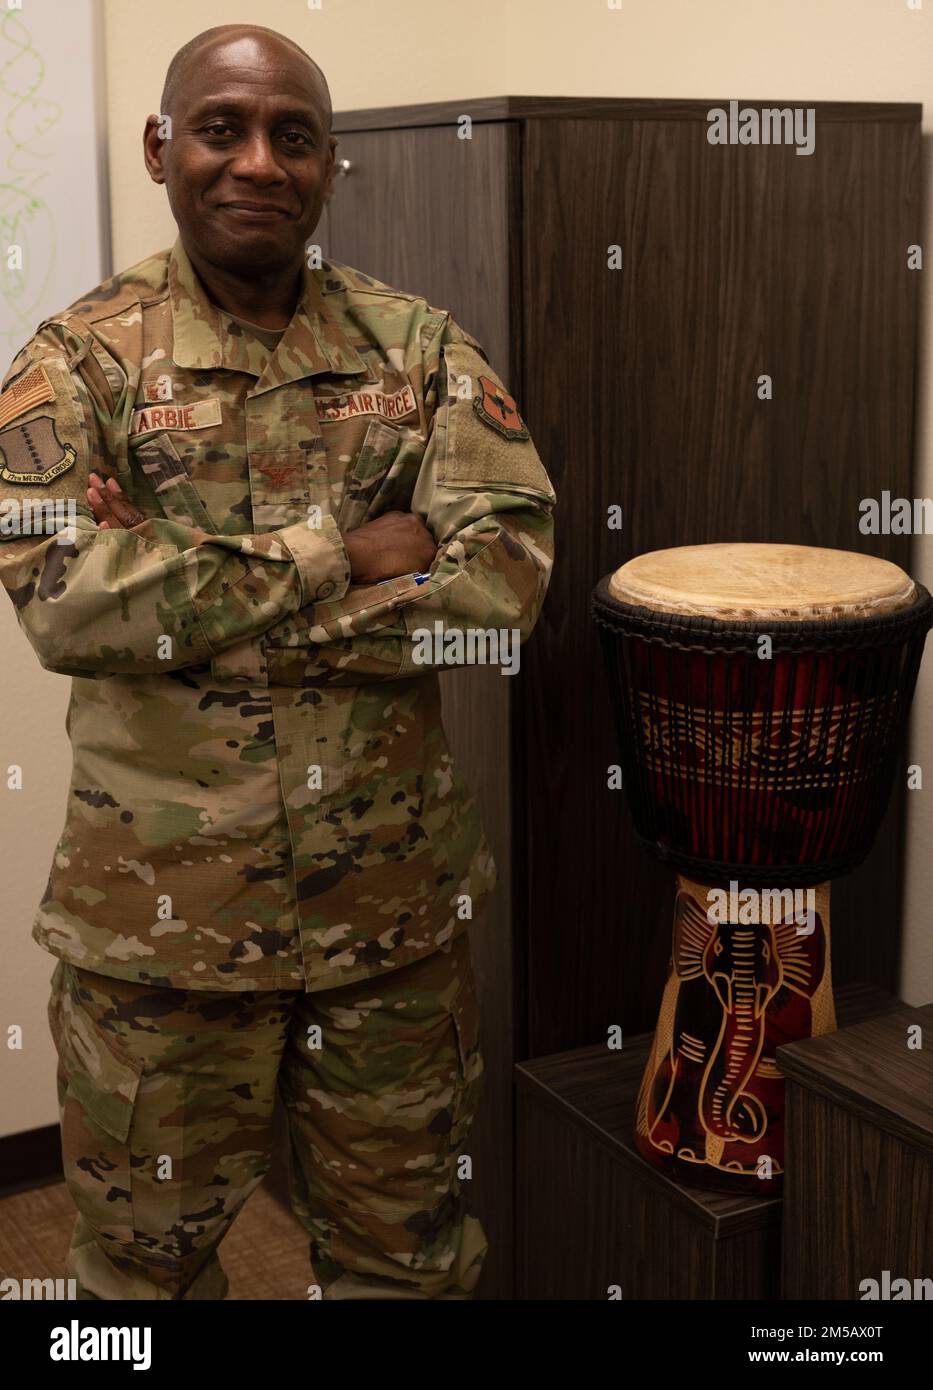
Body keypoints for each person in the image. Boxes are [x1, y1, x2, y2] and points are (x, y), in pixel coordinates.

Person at [0, 23, 556, 1300]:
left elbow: (498, 590)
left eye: (292, 137)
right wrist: (337, 556)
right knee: (130, 1295)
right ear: (161, 148)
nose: (258, 162)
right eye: (221, 128)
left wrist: (183, 584)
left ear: (329, 166)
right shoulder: (74, 362)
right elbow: (66, 605)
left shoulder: (418, 350)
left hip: (391, 934)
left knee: (407, 1267)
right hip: (157, 944)